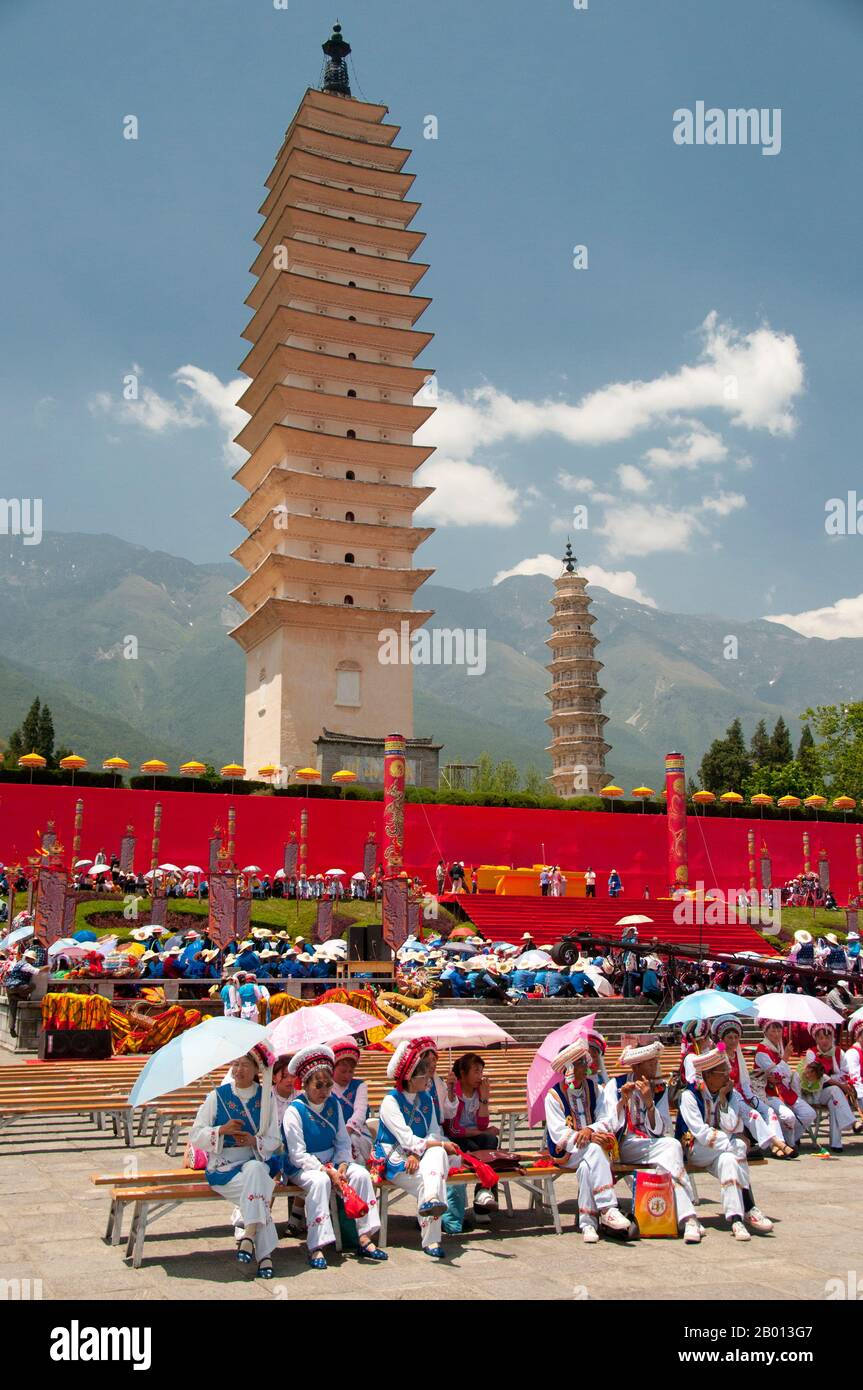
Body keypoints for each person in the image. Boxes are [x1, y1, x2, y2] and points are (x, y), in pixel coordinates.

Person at [282, 1045, 385, 1268]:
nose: (324, 1090)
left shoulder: (333, 1105)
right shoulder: (294, 1111)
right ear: (306, 1085)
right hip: (304, 1167)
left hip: (333, 1161)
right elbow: (297, 1153)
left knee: (360, 1175)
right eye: (318, 1085)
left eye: (328, 1085)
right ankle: (316, 1245)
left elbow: (342, 1140)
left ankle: (364, 1236)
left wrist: (343, 1165)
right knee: (319, 1182)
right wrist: (326, 1170)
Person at [188, 1047, 281, 1277]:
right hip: (223, 1166)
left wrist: (254, 1140)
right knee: (259, 1183)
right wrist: (221, 1130)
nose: (239, 1069)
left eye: (245, 1065)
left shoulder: (266, 1096)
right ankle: (263, 1254)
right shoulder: (217, 1096)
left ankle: (250, 1236)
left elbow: (274, 1139)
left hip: (252, 1160)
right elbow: (195, 1134)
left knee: (256, 1170)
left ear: (256, 1069)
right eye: (236, 1064)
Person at [602, 1036, 701, 1243]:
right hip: (625, 1145)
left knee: (667, 1164)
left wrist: (649, 1103)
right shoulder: (617, 1084)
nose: (656, 1066)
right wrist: (623, 1100)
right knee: (672, 1147)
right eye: (650, 1062)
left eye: (656, 1062)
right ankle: (690, 1218)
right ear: (637, 1065)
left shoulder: (658, 1088)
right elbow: (610, 1123)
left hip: (651, 1144)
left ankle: (687, 1218)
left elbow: (661, 1128)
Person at [373, 1037, 462, 1259]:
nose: (428, 1079)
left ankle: (432, 1200)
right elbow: (406, 1138)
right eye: (423, 1075)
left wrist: (426, 1148)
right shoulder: (390, 1102)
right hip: (394, 1155)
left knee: (437, 1154)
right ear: (410, 1078)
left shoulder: (426, 1099)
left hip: (419, 1156)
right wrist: (425, 1148)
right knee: (433, 1172)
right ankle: (431, 1240)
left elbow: (432, 1131)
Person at [544, 1037, 636, 1244]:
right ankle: (608, 1207)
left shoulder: (595, 1089)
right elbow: (558, 1132)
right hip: (568, 1152)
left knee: (587, 1167)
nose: (587, 1066)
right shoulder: (554, 1096)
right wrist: (582, 1135)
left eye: (585, 1062)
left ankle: (588, 1224)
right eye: (581, 1063)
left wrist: (590, 1130)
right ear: (569, 1067)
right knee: (594, 1150)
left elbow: (607, 1119)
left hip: (590, 1149)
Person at [675, 1049, 773, 1242]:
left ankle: (736, 1219)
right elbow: (701, 1133)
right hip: (696, 1149)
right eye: (722, 1072)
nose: (728, 1076)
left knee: (729, 1160)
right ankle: (748, 1203)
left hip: (720, 1150)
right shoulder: (689, 1096)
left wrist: (722, 1098)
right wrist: (730, 1140)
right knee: (737, 1146)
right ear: (709, 1075)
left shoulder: (729, 1093)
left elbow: (733, 1125)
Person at [710, 1017, 793, 1157]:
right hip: (727, 1095)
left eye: (736, 1037)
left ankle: (777, 1145)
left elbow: (744, 1081)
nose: (734, 1041)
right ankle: (778, 1144)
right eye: (729, 1037)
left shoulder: (737, 1054)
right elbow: (718, 1052)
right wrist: (720, 1045)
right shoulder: (720, 1053)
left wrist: (750, 1096)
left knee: (769, 1111)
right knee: (753, 1115)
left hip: (743, 1092)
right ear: (722, 1039)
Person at [445, 1053, 499, 1216]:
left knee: (491, 1141)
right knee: (477, 1148)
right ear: (463, 1073)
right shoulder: (454, 1093)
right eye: (476, 1071)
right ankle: (483, 1193)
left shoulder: (478, 1092)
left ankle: (483, 1193)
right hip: (455, 1139)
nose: (480, 1076)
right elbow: (453, 1129)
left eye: (481, 1072)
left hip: (473, 1136)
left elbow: (482, 1124)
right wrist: (482, 1131)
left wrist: (484, 1098)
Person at [753, 1019, 817, 1149]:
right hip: (768, 1093)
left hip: (785, 1090)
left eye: (779, 1030)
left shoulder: (780, 1049)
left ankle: (789, 1138)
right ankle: (787, 1144)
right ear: (765, 1032)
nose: (777, 1034)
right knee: (788, 1116)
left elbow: (783, 1075)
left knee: (809, 1113)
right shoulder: (762, 1051)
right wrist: (786, 1057)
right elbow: (776, 1075)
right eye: (773, 1030)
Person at [803, 1024, 856, 1152]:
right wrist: (836, 1081)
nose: (824, 1041)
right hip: (814, 1093)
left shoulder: (839, 1052)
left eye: (827, 1037)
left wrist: (835, 1080)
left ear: (832, 1037)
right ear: (815, 1039)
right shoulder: (811, 1053)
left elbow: (845, 1072)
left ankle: (836, 1143)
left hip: (831, 1094)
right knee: (835, 1090)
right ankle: (850, 1121)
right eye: (820, 1037)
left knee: (834, 1103)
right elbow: (817, 1075)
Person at [331, 1038, 373, 1165]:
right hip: (333, 1134)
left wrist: (346, 1132)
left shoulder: (360, 1086)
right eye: (343, 1071)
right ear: (332, 1069)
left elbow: (360, 1113)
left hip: (357, 1133)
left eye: (351, 1071)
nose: (347, 1076)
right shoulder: (326, 1087)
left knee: (353, 1141)